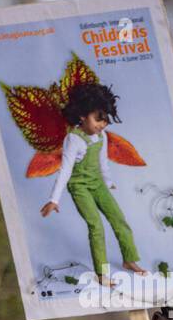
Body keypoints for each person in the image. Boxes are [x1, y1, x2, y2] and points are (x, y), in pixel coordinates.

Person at [41, 81, 146, 282]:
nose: (102, 124)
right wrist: (54, 199)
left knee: (118, 219)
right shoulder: (73, 139)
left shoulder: (102, 136)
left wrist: (107, 182)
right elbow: (65, 170)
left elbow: (102, 161)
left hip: (97, 183)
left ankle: (129, 259)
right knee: (96, 225)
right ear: (82, 115)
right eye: (98, 118)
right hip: (79, 186)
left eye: (105, 119)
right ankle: (102, 273)